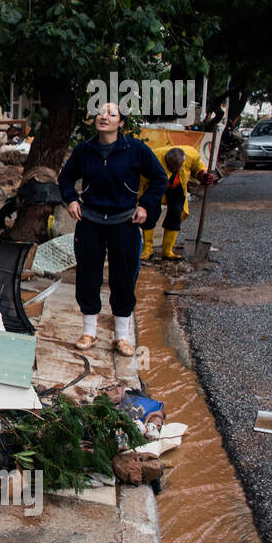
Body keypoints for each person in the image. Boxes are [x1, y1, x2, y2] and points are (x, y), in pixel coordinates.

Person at [58, 103, 167, 356]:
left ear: (121, 124)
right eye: (101, 113)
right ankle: (89, 332)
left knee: (124, 277)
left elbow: (159, 177)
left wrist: (146, 206)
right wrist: (71, 199)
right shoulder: (85, 150)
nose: (103, 117)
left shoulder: (135, 150)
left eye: (111, 114)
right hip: (91, 221)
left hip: (124, 222)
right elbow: (65, 178)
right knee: (87, 275)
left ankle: (122, 337)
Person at [139, 145, 216, 261]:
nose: (174, 169)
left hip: (177, 186)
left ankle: (168, 251)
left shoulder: (191, 155)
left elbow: (199, 167)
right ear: (166, 160)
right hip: (155, 186)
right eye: (171, 167)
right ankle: (147, 249)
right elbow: (141, 182)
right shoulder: (153, 158)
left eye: (177, 167)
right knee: (151, 213)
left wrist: (204, 176)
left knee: (176, 213)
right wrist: (139, 202)